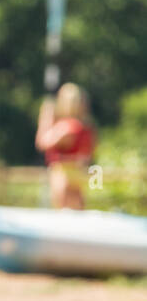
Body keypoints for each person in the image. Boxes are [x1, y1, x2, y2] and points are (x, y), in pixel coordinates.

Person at [35, 82, 96, 210]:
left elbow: (42, 142)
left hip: (63, 174)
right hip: (77, 173)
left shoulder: (68, 127)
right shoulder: (87, 127)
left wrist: (45, 118)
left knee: (64, 216)